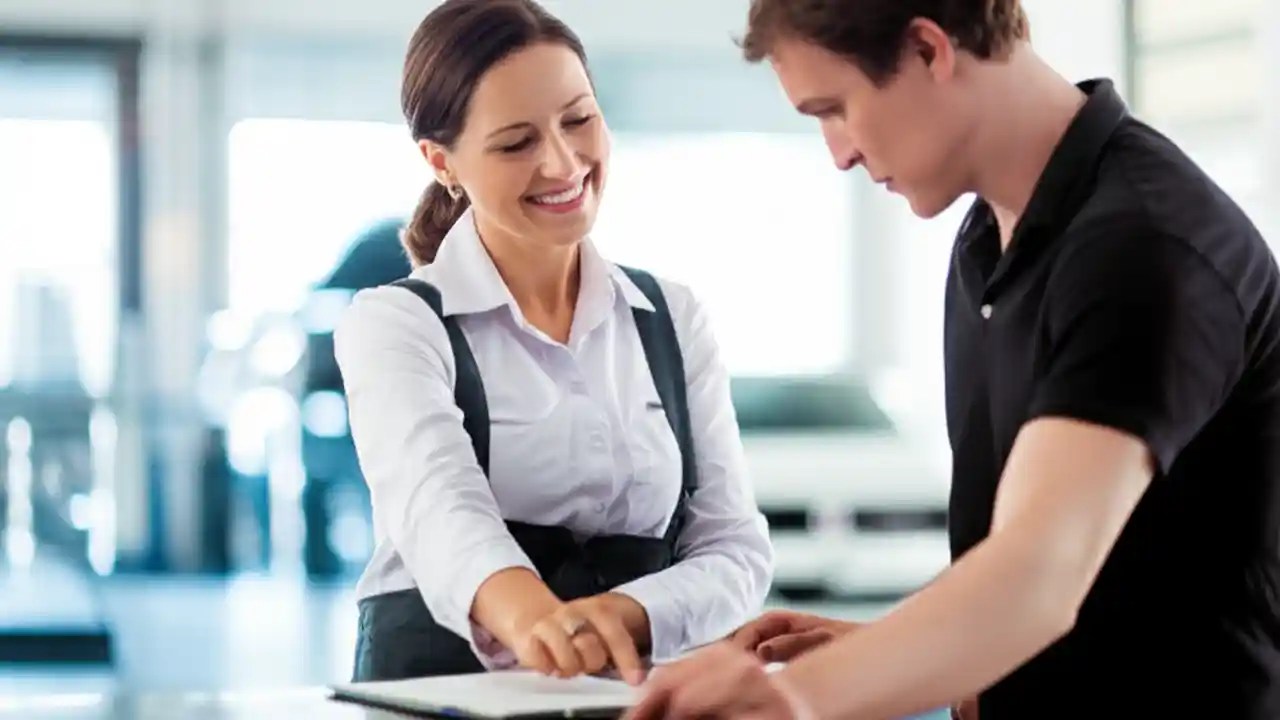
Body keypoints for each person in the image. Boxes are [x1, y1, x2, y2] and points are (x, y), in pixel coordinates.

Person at [626, 1, 1280, 719]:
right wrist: (880, 657)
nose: (837, 152)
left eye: (835, 108)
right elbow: (1083, 601)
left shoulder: (1146, 245)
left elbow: (1037, 578)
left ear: (928, 50)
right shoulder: (984, 244)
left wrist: (787, 702)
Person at [333, 0, 773, 686]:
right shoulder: (398, 323)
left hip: (618, 697)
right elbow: (438, 509)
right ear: (442, 161)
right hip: (438, 690)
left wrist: (624, 613)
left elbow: (734, 548)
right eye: (516, 143)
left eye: (579, 121)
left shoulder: (671, 318)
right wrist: (541, 623)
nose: (563, 163)